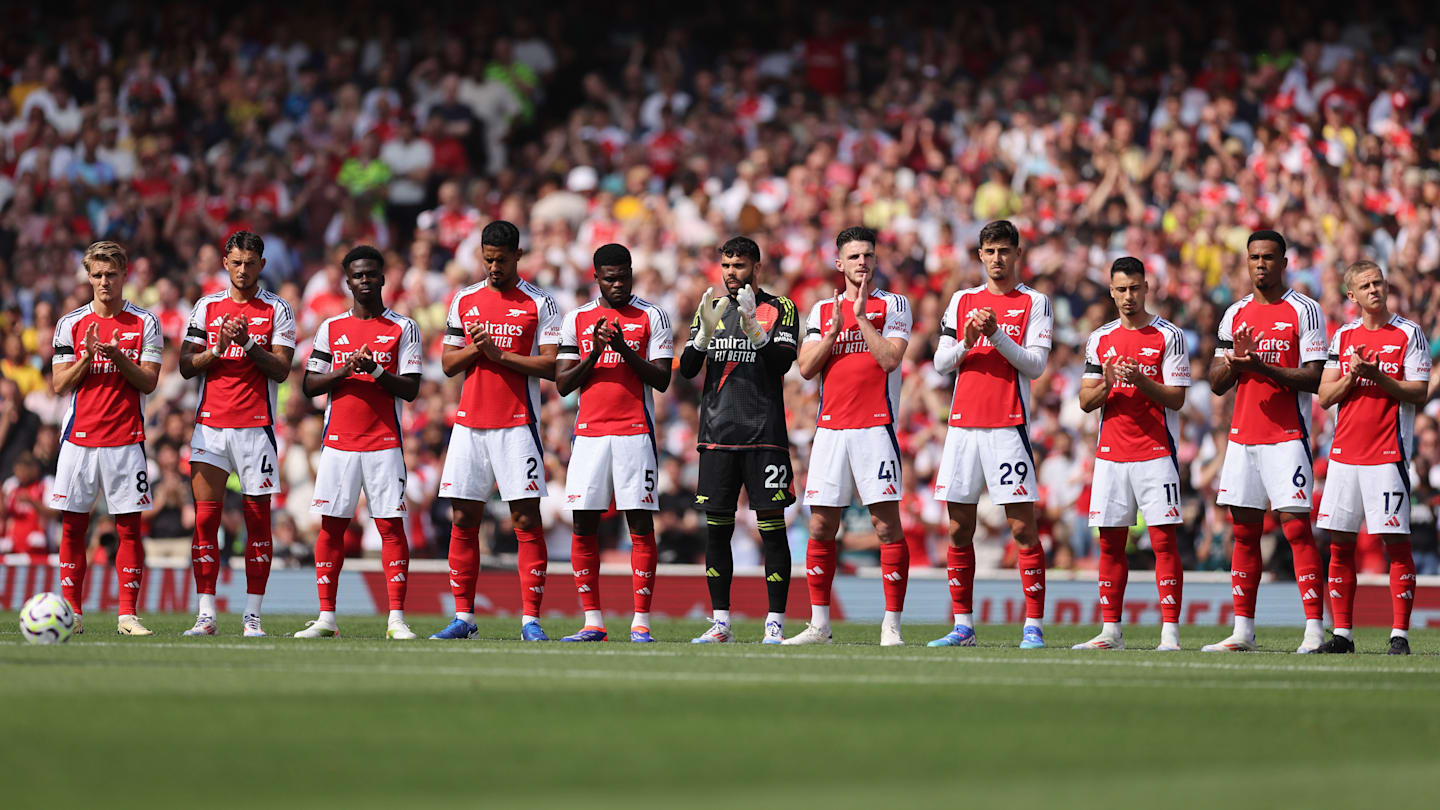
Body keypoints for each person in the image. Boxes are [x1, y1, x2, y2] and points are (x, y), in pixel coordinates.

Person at [431, 220, 562, 641]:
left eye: (501, 259)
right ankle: (464, 617)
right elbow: (449, 364)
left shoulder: (540, 302)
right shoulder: (465, 299)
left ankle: (530, 620)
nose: (493, 266)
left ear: (518, 257)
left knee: (525, 517)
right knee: (463, 516)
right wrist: (477, 350)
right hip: (470, 425)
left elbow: (551, 366)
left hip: (518, 424)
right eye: (487, 258)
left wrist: (499, 353)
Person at [928, 220, 1052, 649]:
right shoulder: (963, 300)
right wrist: (967, 340)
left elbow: (1035, 366)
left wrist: (995, 334)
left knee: (1022, 530)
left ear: (1017, 253)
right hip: (962, 427)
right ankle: (963, 626)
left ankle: (1033, 626)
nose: (997, 259)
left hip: (1007, 426)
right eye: (990, 251)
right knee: (958, 530)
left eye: (1004, 251)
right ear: (979, 255)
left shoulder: (1034, 302)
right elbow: (940, 363)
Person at [787, 226, 912, 646]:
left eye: (868, 256)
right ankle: (819, 624)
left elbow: (890, 359)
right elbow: (805, 368)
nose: (862, 262)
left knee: (885, 525)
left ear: (876, 261)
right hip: (830, 428)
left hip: (875, 425)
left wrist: (860, 318)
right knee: (821, 525)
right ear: (839, 263)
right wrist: (836, 329)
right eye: (854, 256)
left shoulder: (893, 304)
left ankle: (891, 624)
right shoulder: (822, 310)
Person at [1205, 230, 1328, 653]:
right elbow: (1216, 383)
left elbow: (1314, 378)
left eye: (1269, 257)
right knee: (1244, 533)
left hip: (1287, 437)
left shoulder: (1305, 310)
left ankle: (1314, 629)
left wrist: (1265, 366)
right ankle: (1243, 631)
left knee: (1296, 529)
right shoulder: (1234, 313)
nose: (1261, 264)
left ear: (1284, 262)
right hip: (1242, 439)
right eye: (1254, 257)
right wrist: (1238, 366)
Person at [294, 245, 422, 640]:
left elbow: (412, 389)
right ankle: (326, 618)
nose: (365, 281)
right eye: (357, 275)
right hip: (338, 444)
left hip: (384, 443)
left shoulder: (404, 327)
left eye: (371, 274)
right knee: (331, 529)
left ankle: (396, 619)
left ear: (382, 278)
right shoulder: (331, 328)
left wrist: (377, 370)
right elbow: (309, 385)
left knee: (390, 527)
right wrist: (347, 368)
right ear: (347, 281)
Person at [680, 236, 800, 644]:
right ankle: (721, 623)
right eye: (727, 266)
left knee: (772, 530)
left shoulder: (779, 308)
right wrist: (701, 336)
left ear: (756, 268)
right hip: (716, 437)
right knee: (717, 531)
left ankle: (775, 625)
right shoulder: (709, 309)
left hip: (765, 435)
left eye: (740, 266)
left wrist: (755, 330)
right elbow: (688, 370)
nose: (732, 273)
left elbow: (784, 363)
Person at [178, 231, 296, 638]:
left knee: (257, 522)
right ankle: (206, 613)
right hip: (210, 425)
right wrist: (216, 349)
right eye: (237, 262)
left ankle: (252, 615)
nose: (244, 270)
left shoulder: (278, 309)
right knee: (205, 521)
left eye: (251, 263)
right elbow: (185, 365)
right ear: (225, 264)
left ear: (262, 265)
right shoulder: (206, 306)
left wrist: (246, 343)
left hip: (255, 428)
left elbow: (281, 370)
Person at [555, 243, 674, 642]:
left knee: (639, 523)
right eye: (610, 279)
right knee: (583, 524)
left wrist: (623, 347)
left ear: (632, 273)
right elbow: (563, 383)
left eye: (624, 276)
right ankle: (593, 621)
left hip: (634, 433)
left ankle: (641, 621)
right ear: (596, 278)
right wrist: (596, 352)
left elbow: (661, 379)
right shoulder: (577, 318)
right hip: (588, 434)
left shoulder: (652, 316)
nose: (618, 284)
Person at [1074, 257, 1190, 651]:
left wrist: (1141, 380)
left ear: (1147, 288)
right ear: (1111, 291)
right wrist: (1108, 385)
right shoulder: (1099, 339)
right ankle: (1111, 631)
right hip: (1110, 454)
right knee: (1109, 542)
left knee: (1163, 542)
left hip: (1156, 452)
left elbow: (1177, 397)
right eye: (1121, 289)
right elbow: (1086, 401)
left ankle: (1170, 633)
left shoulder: (1168, 336)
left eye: (1135, 288)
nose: (1128, 296)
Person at [1314, 261, 1430, 655]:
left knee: (1396, 543)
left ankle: (1400, 634)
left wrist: (1377, 376)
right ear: (1351, 295)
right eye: (1365, 285)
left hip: (1388, 455)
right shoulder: (1343, 336)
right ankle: (1342, 634)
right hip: (1345, 456)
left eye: (1378, 282)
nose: (1374, 290)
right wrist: (1352, 375)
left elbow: (1419, 392)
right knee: (1339, 546)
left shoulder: (1409, 333)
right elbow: (1326, 396)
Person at [49, 241, 163, 636]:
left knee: (129, 528)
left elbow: (149, 381)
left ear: (124, 275)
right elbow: (59, 385)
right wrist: (86, 356)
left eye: (111, 274)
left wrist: (116, 357)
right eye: (97, 275)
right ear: (88, 276)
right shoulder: (70, 323)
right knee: (72, 528)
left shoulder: (145, 322)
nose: (103, 282)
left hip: (126, 439)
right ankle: (73, 613)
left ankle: (127, 615)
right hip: (78, 440)